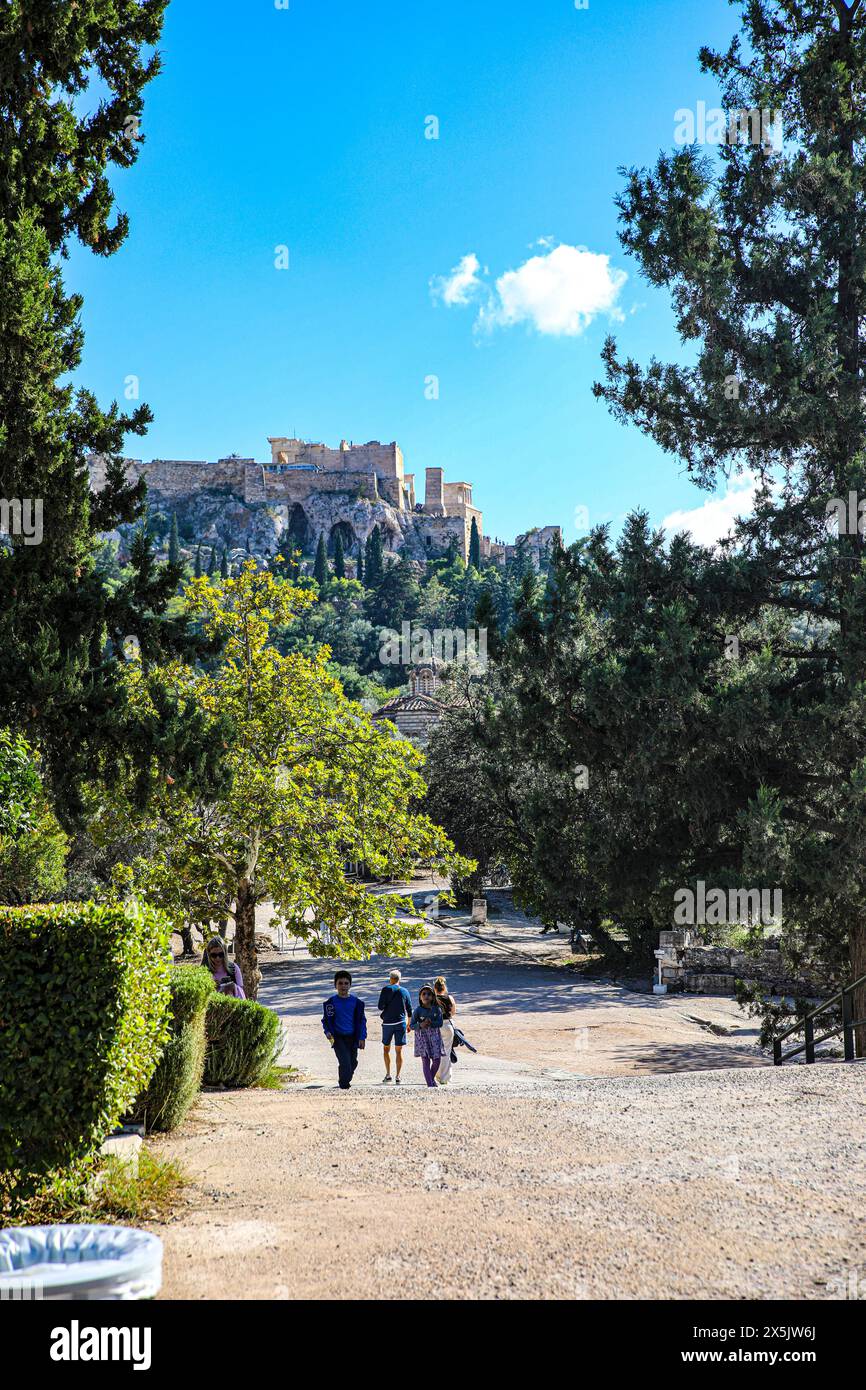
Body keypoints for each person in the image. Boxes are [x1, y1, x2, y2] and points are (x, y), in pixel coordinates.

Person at [322, 970, 367, 1089]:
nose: (343, 986)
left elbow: (362, 1021)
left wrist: (362, 1037)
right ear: (335, 985)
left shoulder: (357, 1003)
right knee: (345, 1063)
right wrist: (327, 1032)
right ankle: (344, 1084)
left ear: (350, 985)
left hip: (353, 1037)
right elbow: (325, 1020)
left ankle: (344, 1078)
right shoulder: (330, 1003)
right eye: (340, 983)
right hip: (338, 1037)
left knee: (353, 1062)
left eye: (346, 983)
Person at [377, 969, 413, 1084]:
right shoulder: (405, 991)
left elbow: (380, 1007)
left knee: (386, 1048)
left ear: (390, 979)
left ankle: (388, 1074)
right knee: (399, 1050)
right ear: (399, 979)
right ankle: (398, 1076)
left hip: (388, 1023)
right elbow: (409, 1010)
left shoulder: (386, 989)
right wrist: (409, 1024)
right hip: (400, 1023)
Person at [410, 985, 443, 1088]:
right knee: (426, 1060)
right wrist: (420, 1025)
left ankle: (431, 1080)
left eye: (429, 994)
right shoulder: (417, 1011)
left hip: (435, 1037)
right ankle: (430, 1085)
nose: (426, 996)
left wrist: (431, 1023)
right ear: (420, 997)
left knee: (437, 1060)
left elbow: (440, 1023)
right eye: (423, 994)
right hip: (422, 1038)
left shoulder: (437, 1010)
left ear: (433, 997)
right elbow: (411, 1026)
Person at [433, 975, 456, 1086]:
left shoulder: (432, 999)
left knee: (436, 1052)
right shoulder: (449, 998)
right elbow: (453, 1013)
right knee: (446, 1052)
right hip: (447, 1025)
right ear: (444, 987)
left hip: (435, 1026)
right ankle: (445, 1078)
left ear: (435, 988)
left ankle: (437, 1075)